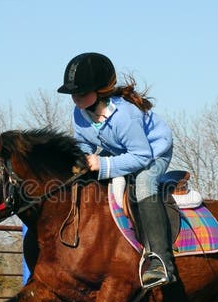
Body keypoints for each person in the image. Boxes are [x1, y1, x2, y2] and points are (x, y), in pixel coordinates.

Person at [58, 52, 176, 287]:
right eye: (73, 93)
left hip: (154, 152)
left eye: (81, 92)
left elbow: (141, 156)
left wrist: (102, 164)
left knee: (143, 185)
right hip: (123, 151)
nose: (76, 97)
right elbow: (85, 144)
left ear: (99, 91)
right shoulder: (79, 113)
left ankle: (161, 262)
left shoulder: (125, 116)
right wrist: (80, 159)